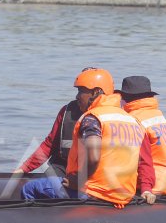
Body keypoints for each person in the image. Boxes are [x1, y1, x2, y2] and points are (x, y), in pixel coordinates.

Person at [21, 68, 154, 207]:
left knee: (29, 188)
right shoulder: (133, 121)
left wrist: (78, 180)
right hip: (121, 196)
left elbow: (94, 156)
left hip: (92, 193)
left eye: (81, 91)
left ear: (96, 92)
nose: (77, 96)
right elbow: (143, 160)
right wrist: (146, 188)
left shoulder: (93, 118)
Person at [119, 75, 166, 199]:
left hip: (151, 188)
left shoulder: (134, 120)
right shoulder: (158, 116)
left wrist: (146, 188)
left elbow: (143, 158)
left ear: (126, 98)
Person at [15, 85, 85, 177]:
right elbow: (49, 144)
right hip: (63, 165)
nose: (77, 96)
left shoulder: (105, 117)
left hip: (93, 171)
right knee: (40, 186)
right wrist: (24, 168)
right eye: (78, 91)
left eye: (82, 91)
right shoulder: (66, 111)